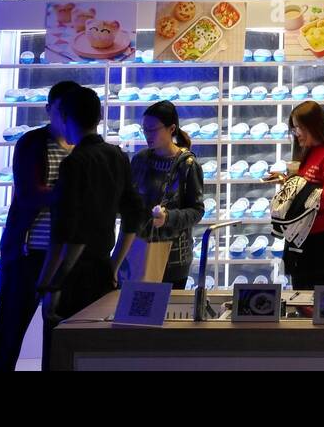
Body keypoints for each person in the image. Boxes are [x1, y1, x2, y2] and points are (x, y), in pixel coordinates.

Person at [36, 85, 145, 362]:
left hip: (73, 277)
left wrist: (51, 284)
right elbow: (134, 216)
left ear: (63, 115)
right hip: (103, 271)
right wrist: (115, 263)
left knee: (61, 354)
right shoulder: (117, 156)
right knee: (94, 354)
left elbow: (69, 234)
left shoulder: (74, 163)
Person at [0, 80, 77, 372]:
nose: (66, 118)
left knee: (58, 343)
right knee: (8, 338)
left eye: (71, 112)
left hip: (64, 258)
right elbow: (28, 194)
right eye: (61, 111)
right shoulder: (33, 142)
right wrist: (73, 194)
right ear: (49, 109)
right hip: (27, 255)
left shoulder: (81, 147)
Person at [269, 100, 324, 290]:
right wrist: (287, 181)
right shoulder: (310, 152)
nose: (296, 133)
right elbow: (306, 185)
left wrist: (298, 190)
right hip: (298, 237)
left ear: (314, 126)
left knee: (313, 303)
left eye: (299, 127)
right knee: (299, 296)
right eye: (294, 128)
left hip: (319, 240)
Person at [129, 101, 204, 286]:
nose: (147, 135)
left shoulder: (188, 165)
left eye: (153, 129)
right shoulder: (140, 160)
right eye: (144, 129)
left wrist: (168, 218)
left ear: (171, 129)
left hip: (174, 258)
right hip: (139, 250)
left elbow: (197, 210)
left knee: (166, 310)